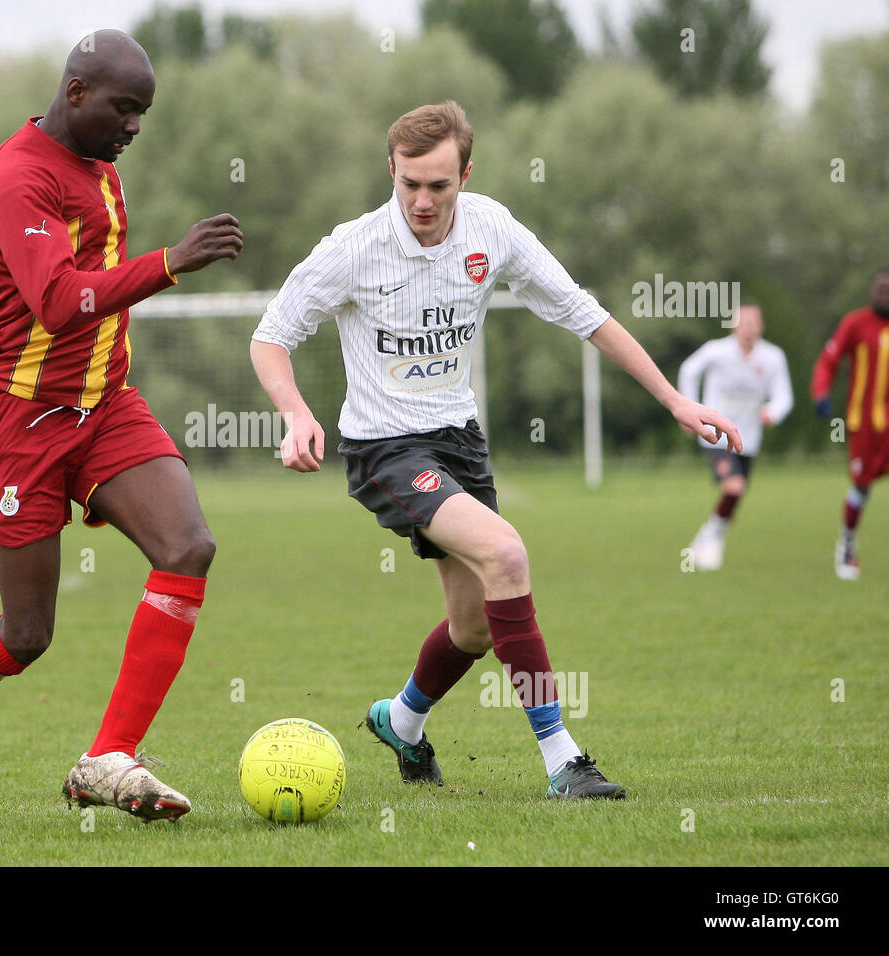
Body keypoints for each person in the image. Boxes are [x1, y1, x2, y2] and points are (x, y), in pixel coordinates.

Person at [251, 101, 740, 799]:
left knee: (474, 626)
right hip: (384, 448)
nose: (422, 200)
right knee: (507, 553)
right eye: (409, 183)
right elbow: (271, 334)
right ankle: (564, 760)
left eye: (439, 186)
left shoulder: (492, 229)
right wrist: (295, 413)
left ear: (466, 175)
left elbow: (583, 312)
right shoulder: (353, 248)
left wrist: (674, 400)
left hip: (460, 442)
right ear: (391, 170)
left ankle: (402, 721)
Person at [0, 30, 241, 821]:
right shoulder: (19, 175)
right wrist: (169, 262)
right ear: (78, 91)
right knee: (27, 635)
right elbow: (56, 301)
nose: (133, 127)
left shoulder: (99, 165)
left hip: (105, 404)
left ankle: (108, 758)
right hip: (19, 419)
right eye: (126, 109)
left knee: (188, 546)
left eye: (144, 114)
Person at [678, 302, 792, 571]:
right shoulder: (716, 351)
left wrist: (773, 412)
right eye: (744, 322)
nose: (749, 328)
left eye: (754, 323)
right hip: (715, 435)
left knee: (736, 493)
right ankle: (710, 540)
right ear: (733, 325)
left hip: (748, 438)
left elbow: (784, 395)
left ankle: (707, 540)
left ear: (761, 327)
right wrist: (688, 406)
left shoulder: (773, 357)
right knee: (734, 486)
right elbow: (688, 371)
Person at [811, 268, 889, 580]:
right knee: (861, 485)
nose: (885, 293)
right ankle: (847, 545)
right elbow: (828, 360)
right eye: (881, 288)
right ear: (872, 291)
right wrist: (820, 392)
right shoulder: (856, 323)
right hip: (865, 425)